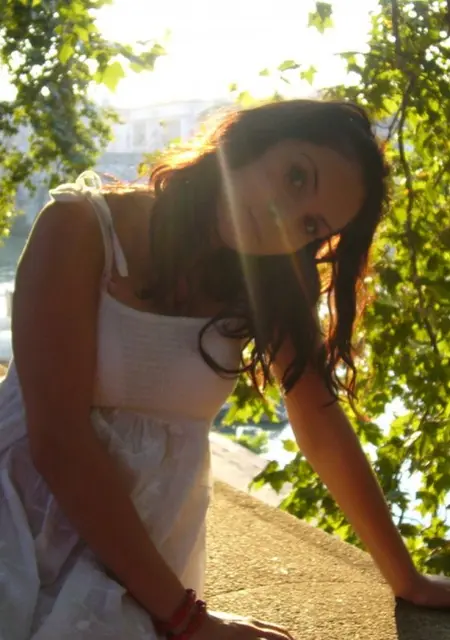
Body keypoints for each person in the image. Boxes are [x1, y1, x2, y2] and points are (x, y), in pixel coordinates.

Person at [0, 99, 449, 640]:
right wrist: (191, 621)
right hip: (21, 523)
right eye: (295, 176)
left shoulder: (264, 282)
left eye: (310, 225)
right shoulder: (81, 227)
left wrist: (406, 579)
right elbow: (58, 442)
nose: (283, 218)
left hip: (145, 560)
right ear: (253, 139)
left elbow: (320, 422)